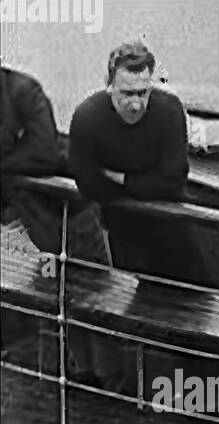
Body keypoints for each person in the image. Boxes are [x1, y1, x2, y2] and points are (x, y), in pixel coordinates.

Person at [1, 63, 125, 388]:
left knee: (96, 293)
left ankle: (112, 379)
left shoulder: (24, 89)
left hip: (71, 210)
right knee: (60, 290)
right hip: (32, 219)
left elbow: (42, 151)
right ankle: (83, 371)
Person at [67, 42, 204, 293]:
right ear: (110, 87)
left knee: (194, 295)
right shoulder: (88, 118)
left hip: (170, 223)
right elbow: (87, 183)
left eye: (142, 93)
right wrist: (147, 184)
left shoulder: (169, 110)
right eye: (126, 94)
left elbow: (173, 182)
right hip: (119, 225)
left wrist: (119, 178)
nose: (135, 104)